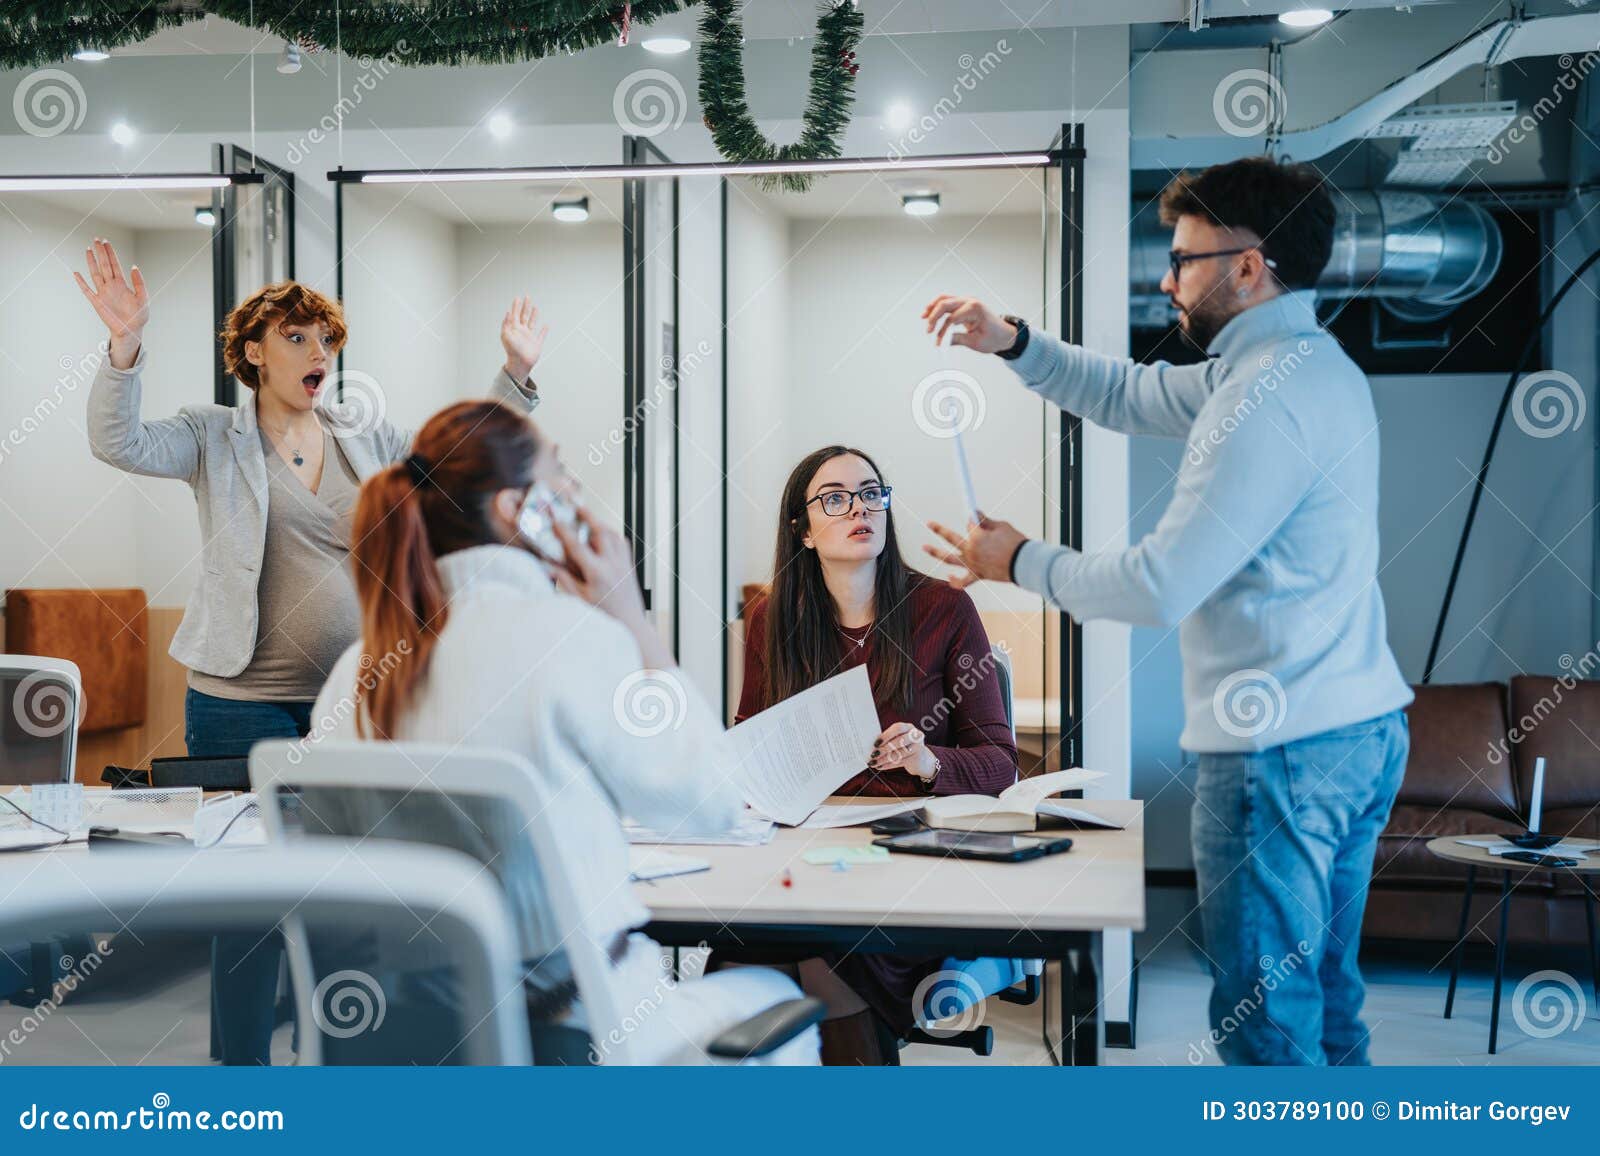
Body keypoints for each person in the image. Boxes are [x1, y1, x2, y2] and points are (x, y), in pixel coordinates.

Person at [920, 156, 1413, 1066]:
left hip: (1280, 750)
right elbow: (1128, 392)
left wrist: (1017, 559)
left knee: (1266, 1021)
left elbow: (1161, 583)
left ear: (1249, 265)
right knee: (1329, 1000)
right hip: (1357, 729)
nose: (1166, 279)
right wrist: (1013, 341)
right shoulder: (1298, 367)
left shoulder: (1264, 399)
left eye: (1183, 259)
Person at [76, 238, 550, 1064]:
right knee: (248, 899)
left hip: (353, 699)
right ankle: (242, 1071)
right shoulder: (211, 437)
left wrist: (513, 376)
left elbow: (457, 466)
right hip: (236, 704)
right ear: (253, 352)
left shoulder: (364, 435)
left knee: (349, 890)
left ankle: (342, 1060)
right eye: (297, 337)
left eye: (327, 339)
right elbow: (118, 444)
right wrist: (124, 351)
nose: (319, 352)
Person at [307, 399, 817, 1065]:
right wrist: (634, 624)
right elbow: (716, 802)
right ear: (520, 510)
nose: (577, 495)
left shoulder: (356, 675)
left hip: (408, 1040)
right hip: (586, 1031)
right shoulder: (576, 640)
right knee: (772, 992)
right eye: (563, 476)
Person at [735, 445, 1018, 1062]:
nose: (858, 508)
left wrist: (928, 763)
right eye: (834, 498)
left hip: (908, 862)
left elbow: (1001, 763)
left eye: (870, 493)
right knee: (739, 954)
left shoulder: (944, 609)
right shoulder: (771, 619)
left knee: (818, 951)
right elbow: (749, 748)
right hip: (806, 854)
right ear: (803, 531)